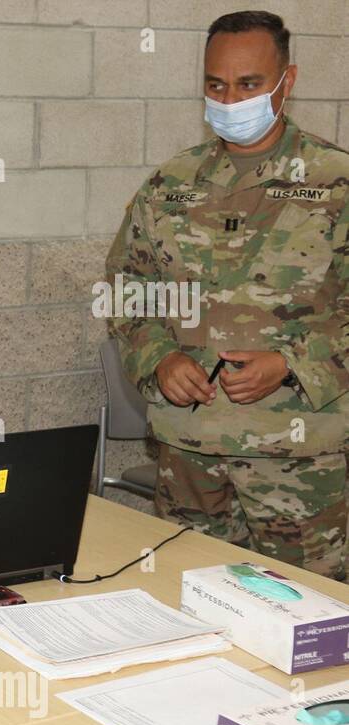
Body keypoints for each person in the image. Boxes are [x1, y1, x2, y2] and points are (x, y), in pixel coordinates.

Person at [106, 9, 348, 581]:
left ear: (287, 82)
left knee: (306, 625)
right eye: (216, 85)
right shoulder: (171, 184)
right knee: (186, 605)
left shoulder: (336, 183)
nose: (230, 99)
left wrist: (292, 364)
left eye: (248, 85)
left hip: (299, 460)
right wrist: (158, 357)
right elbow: (125, 289)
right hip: (189, 452)